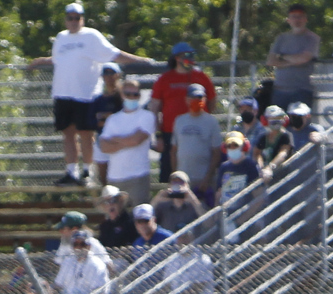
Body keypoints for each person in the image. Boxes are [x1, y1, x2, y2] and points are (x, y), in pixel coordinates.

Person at [29, 4, 152, 187]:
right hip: (63, 93)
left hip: (85, 94)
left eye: (77, 18)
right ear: (65, 19)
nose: (73, 21)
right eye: (70, 18)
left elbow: (114, 54)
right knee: (68, 133)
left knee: (86, 134)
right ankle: (71, 172)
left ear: (83, 19)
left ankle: (87, 172)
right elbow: (58, 60)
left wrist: (141, 61)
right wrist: (40, 61)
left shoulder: (91, 36)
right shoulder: (61, 38)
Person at [152, 44, 218, 181]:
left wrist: (200, 115)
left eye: (191, 55)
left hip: (199, 129)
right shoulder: (164, 79)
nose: (190, 59)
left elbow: (212, 101)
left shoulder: (201, 77)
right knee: (170, 170)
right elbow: (154, 108)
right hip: (171, 132)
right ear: (177, 58)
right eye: (186, 56)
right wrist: (158, 134)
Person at [96, 76, 157, 204]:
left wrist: (115, 139)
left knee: (138, 217)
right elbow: (104, 147)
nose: (131, 97)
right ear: (122, 95)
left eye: (135, 94)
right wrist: (128, 140)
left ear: (139, 96)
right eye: (128, 94)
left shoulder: (147, 116)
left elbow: (137, 140)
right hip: (115, 177)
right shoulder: (113, 119)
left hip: (138, 175)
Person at [172, 85, 222, 207]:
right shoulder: (179, 120)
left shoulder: (211, 122)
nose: (197, 100)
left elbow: (216, 152)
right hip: (183, 177)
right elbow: (173, 150)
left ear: (205, 99)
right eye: (193, 97)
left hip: (203, 178)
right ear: (187, 99)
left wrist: (207, 178)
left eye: (200, 97)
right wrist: (175, 175)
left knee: (204, 209)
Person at [265, 6, 320, 114]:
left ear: (306, 19)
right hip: (279, 90)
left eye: (300, 17)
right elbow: (270, 61)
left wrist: (282, 57)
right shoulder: (281, 38)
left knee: (299, 123)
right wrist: (293, 60)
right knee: (278, 123)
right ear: (288, 20)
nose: (297, 20)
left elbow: (303, 58)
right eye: (294, 17)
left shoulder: (312, 38)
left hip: (301, 90)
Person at [55, 230, 110, 294]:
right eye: (75, 244)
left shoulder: (96, 265)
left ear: (89, 246)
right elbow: (58, 285)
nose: (78, 248)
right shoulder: (67, 261)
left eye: (82, 244)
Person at [214, 132, 261, 210]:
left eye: (236, 145)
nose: (232, 148)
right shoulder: (224, 167)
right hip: (226, 215)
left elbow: (258, 198)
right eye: (229, 146)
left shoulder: (250, 165)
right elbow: (218, 196)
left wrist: (240, 220)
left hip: (243, 214)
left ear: (244, 146)